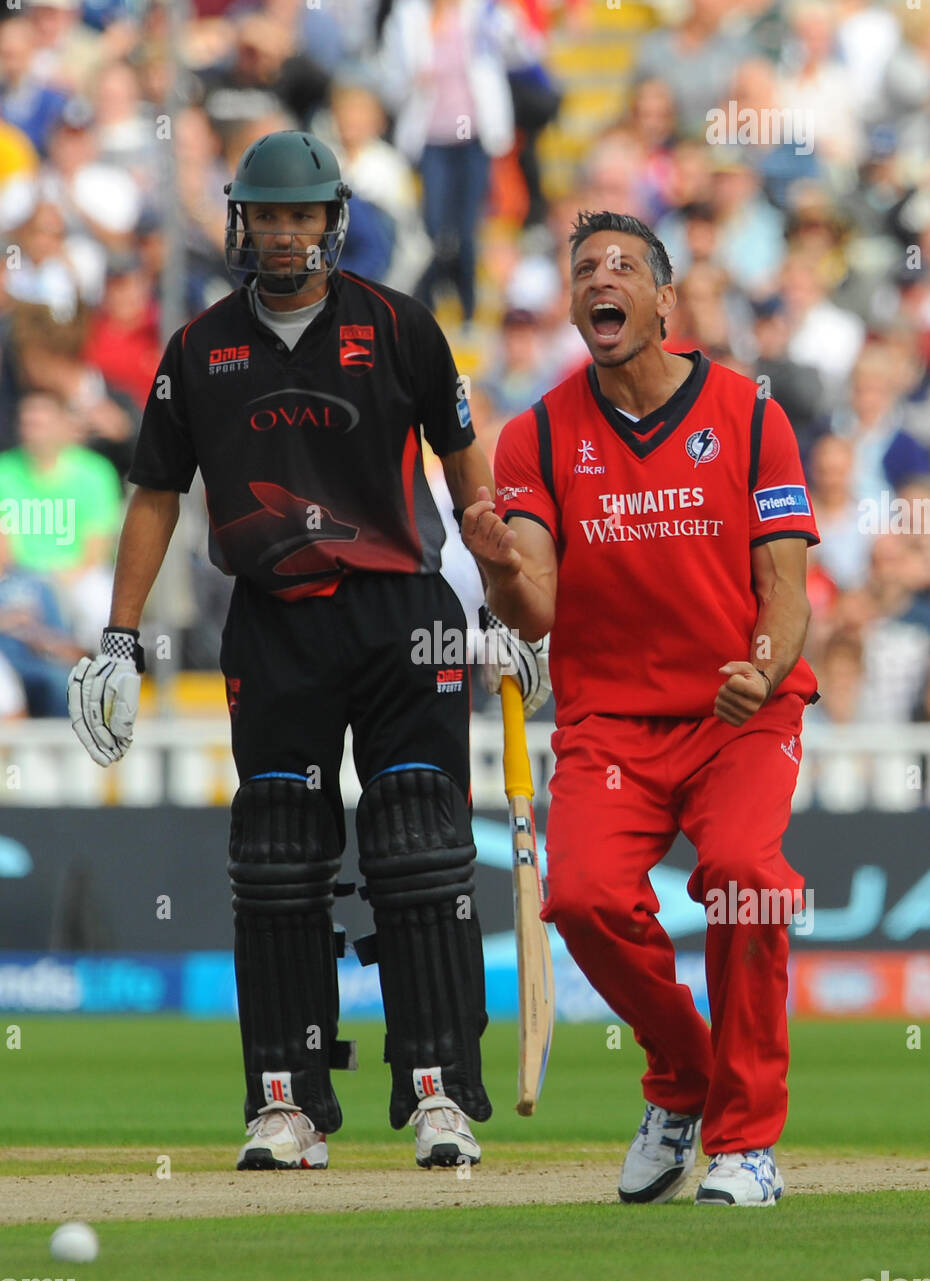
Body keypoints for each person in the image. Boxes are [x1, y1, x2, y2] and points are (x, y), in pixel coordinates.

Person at [67, 130, 543, 1173]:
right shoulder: (199, 347)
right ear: (240, 221)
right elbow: (156, 493)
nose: (281, 233)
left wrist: (507, 599)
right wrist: (118, 635)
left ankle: (437, 1092)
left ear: (333, 222)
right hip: (273, 619)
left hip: (404, 611)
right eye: (264, 214)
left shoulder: (401, 327)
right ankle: (285, 1099)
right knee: (277, 856)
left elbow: (472, 481)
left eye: (300, 215)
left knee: (420, 848)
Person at [463, 210, 821, 1207]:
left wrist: (759, 663)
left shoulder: (751, 412)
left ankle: (745, 1144)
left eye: (623, 266)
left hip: (739, 711)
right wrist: (497, 571)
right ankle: (684, 1078)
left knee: (746, 877)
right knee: (578, 896)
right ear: (577, 304)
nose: (600, 279)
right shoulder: (535, 432)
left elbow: (785, 590)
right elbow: (535, 605)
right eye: (584, 269)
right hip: (612, 721)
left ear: (666, 300)